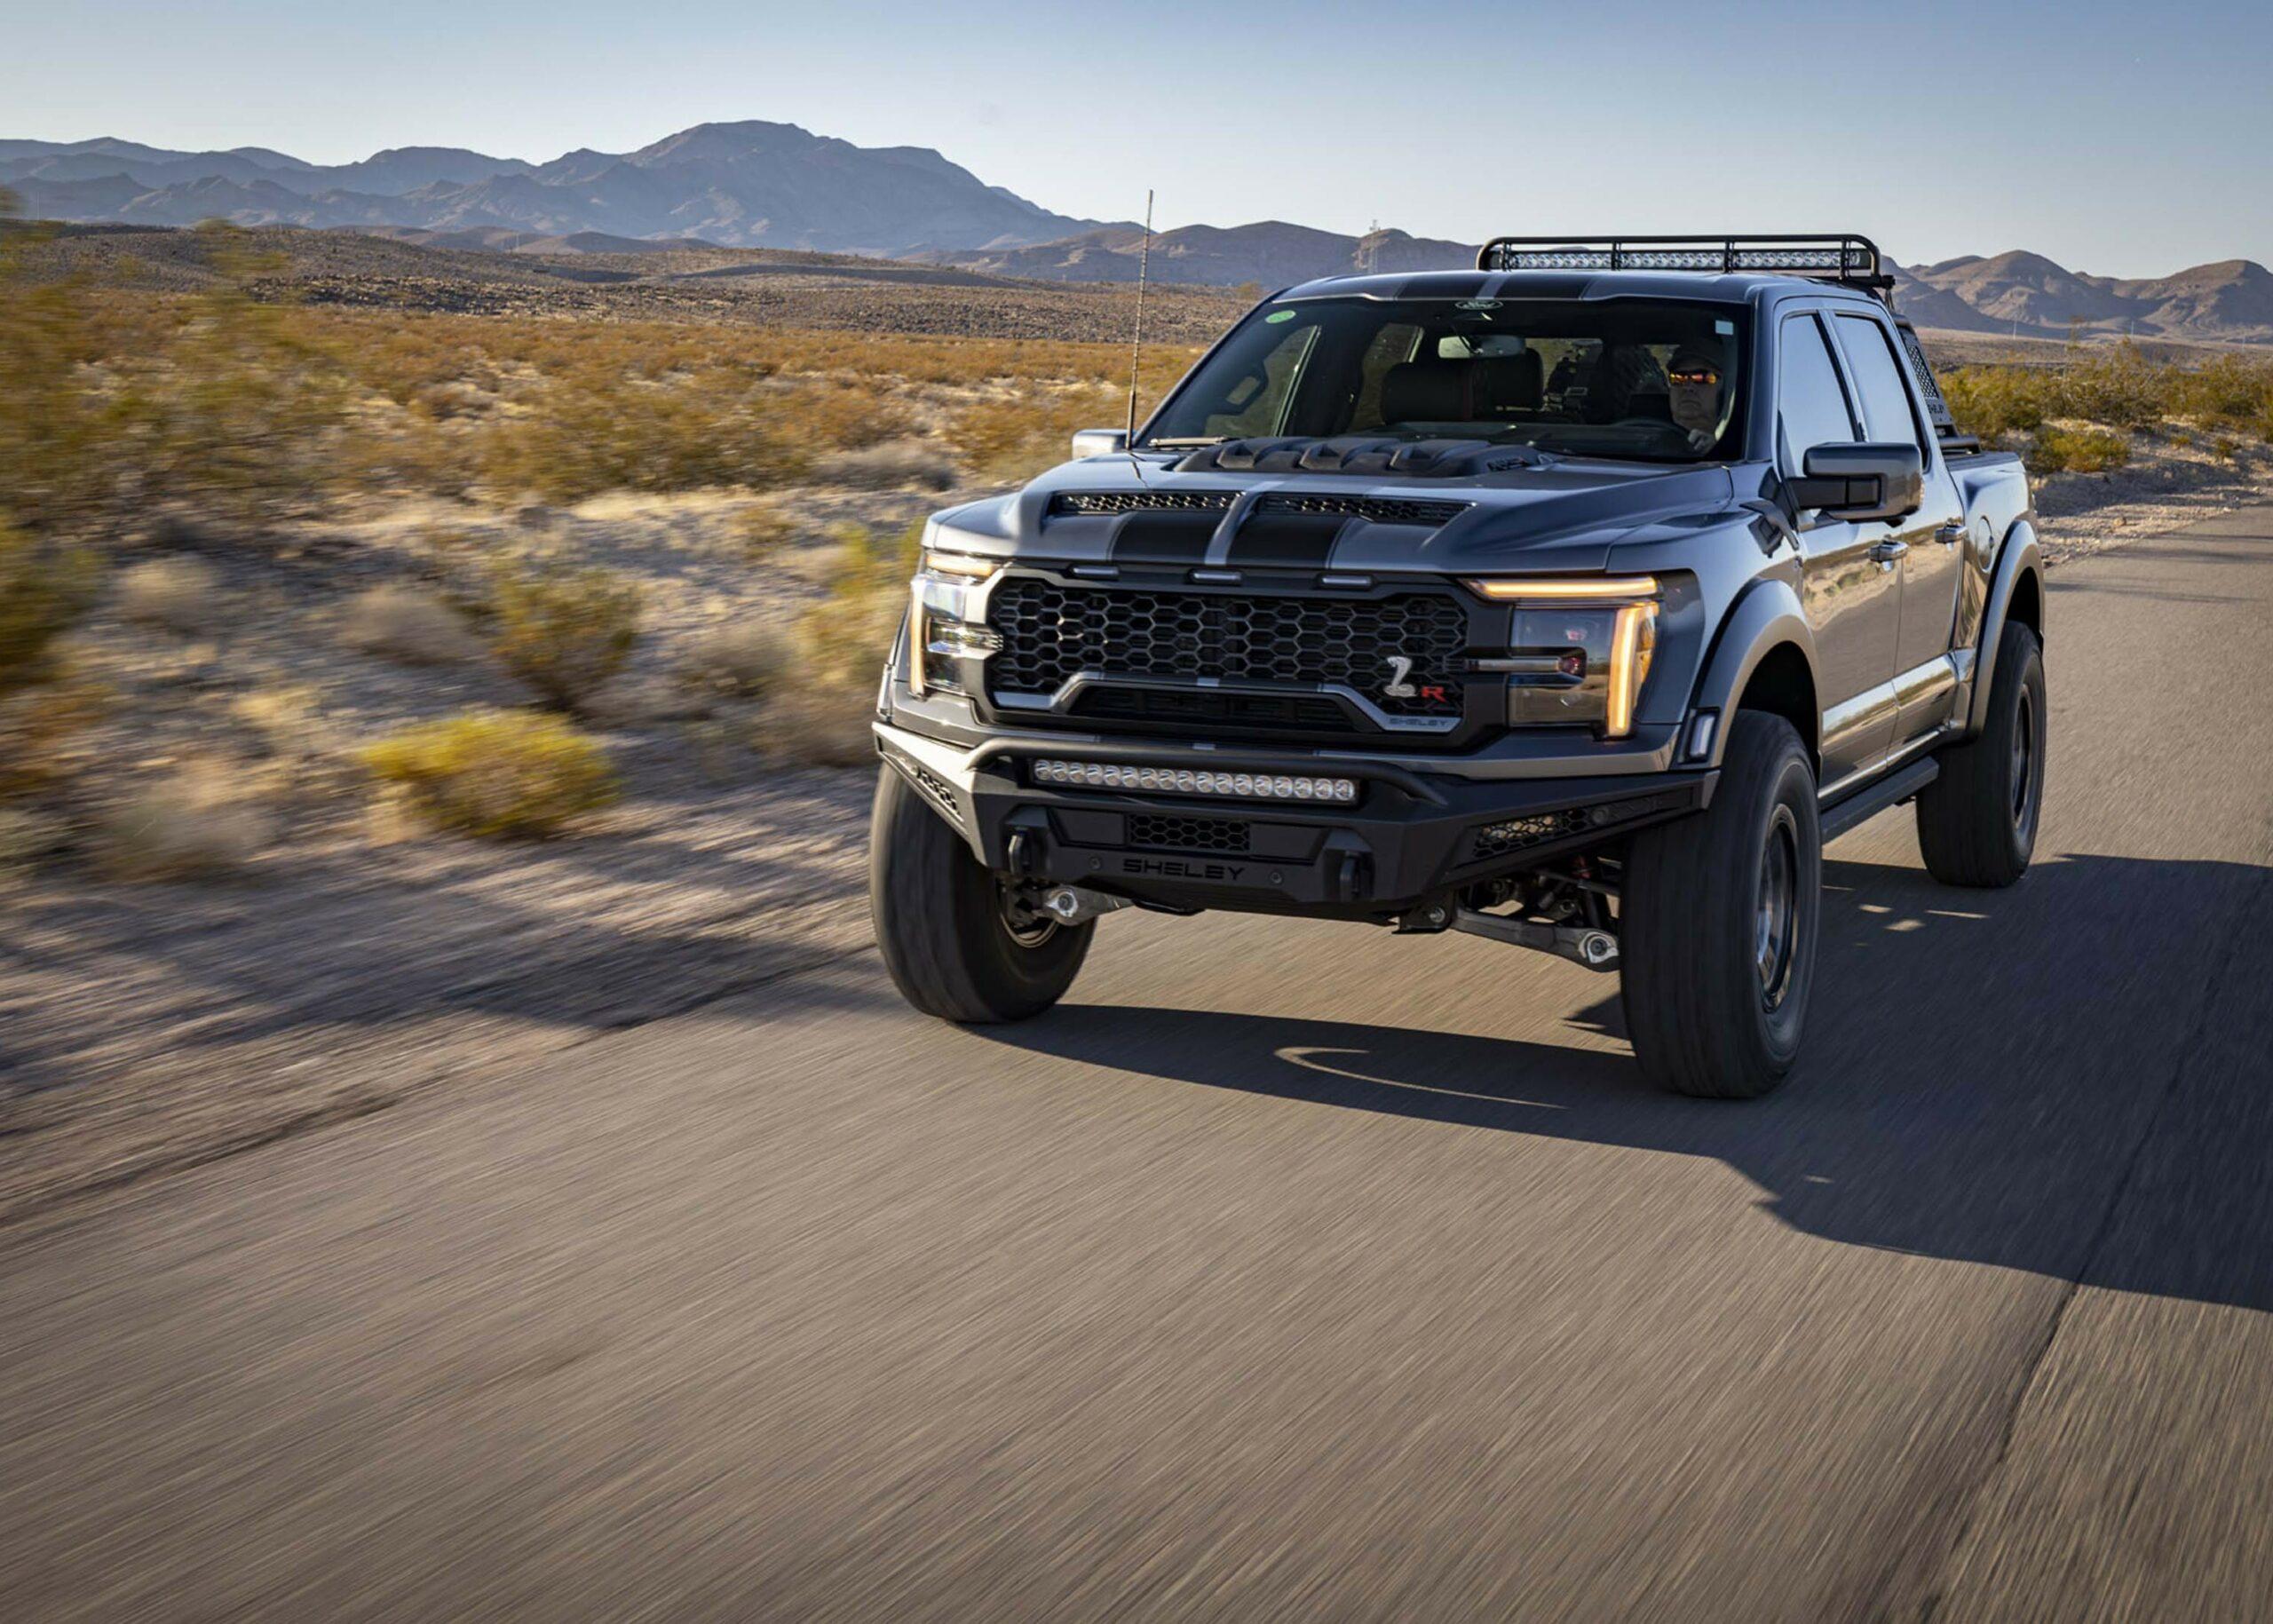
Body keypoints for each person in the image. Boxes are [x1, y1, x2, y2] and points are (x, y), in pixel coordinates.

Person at [1666, 342, 1732, 452]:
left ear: (1724, 388)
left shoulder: (1742, 446)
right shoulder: (1648, 446)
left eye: (1702, 378)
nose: (1688, 387)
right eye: (1678, 378)